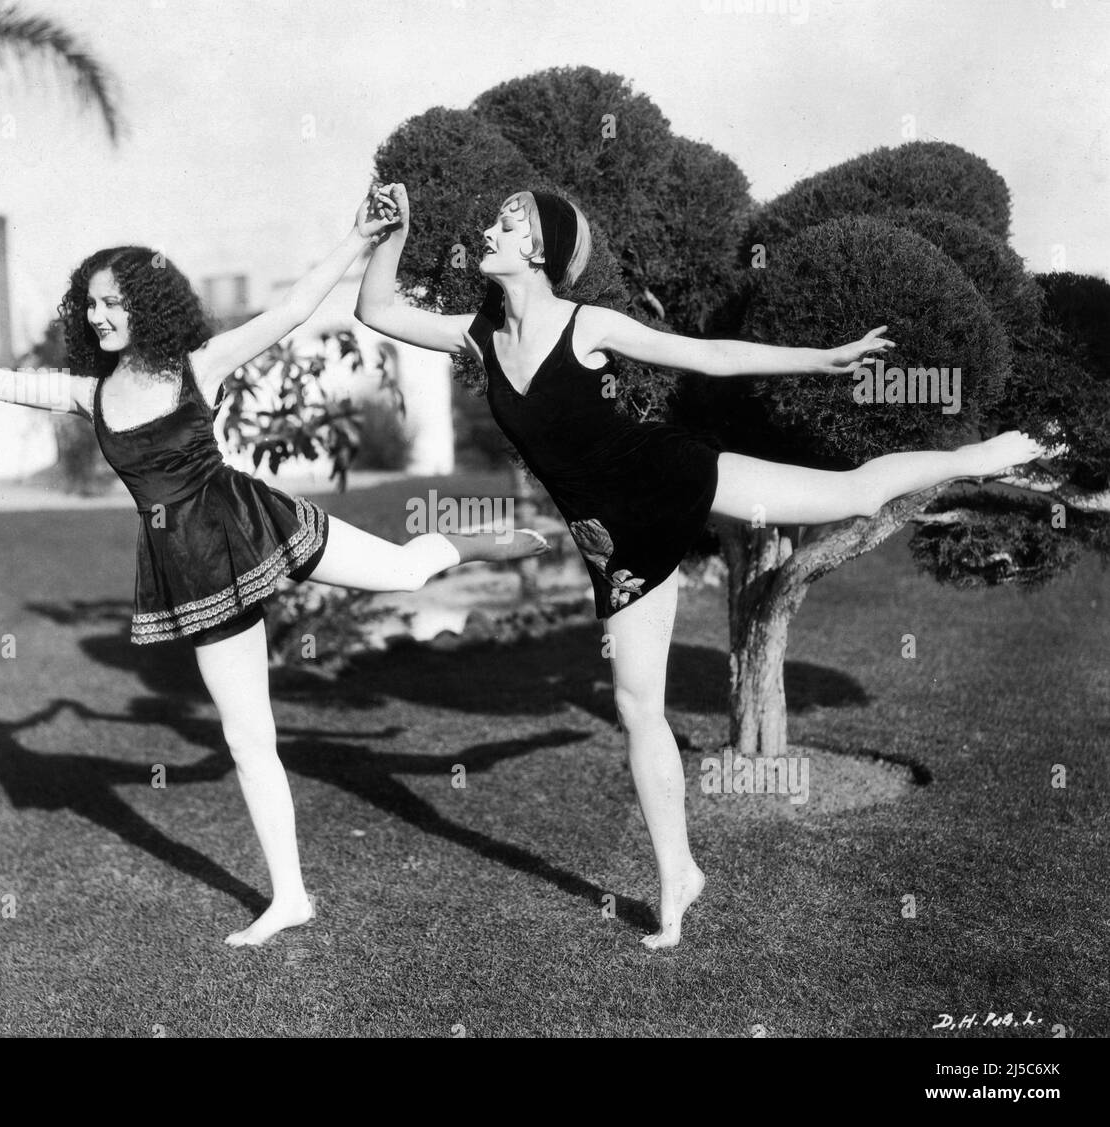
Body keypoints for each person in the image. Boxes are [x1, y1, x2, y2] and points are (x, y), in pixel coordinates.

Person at [355, 183, 1054, 949]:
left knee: (852, 495)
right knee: (636, 708)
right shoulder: (477, 335)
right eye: (492, 218)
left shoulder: (590, 324)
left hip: (670, 475)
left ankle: (978, 457)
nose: (489, 228)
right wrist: (396, 232)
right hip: (614, 545)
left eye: (508, 221)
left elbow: (711, 356)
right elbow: (378, 311)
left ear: (540, 250)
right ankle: (678, 875)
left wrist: (825, 358)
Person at [0, 192, 548, 947]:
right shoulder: (90, 394)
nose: (99, 316)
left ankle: (477, 537)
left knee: (403, 573)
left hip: (257, 522)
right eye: (90, 304)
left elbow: (289, 311)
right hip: (193, 570)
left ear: (146, 304)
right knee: (247, 738)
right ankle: (291, 896)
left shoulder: (200, 365)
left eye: (113, 301)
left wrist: (357, 234)